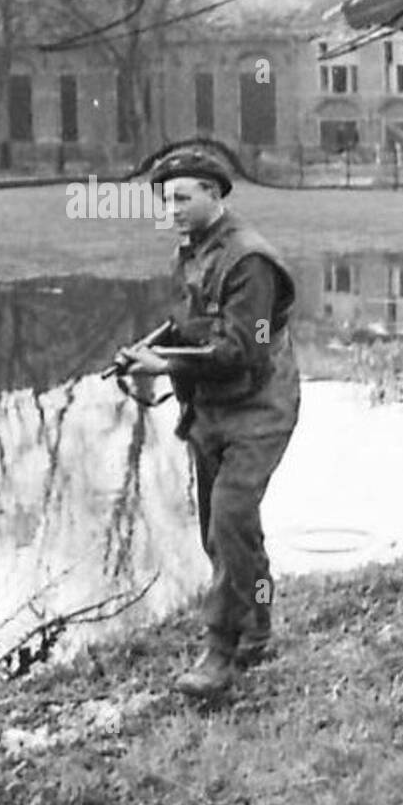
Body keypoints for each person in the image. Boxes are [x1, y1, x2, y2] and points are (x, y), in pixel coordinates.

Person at [119, 139, 301, 698]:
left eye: (180, 198)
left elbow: (242, 348)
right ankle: (259, 624)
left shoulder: (248, 259)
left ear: (214, 194)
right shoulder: (194, 249)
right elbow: (191, 322)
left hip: (259, 408)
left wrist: (166, 361)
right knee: (224, 531)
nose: (170, 209)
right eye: (164, 200)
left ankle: (220, 653)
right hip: (211, 408)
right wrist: (147, 348)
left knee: (229, 521)